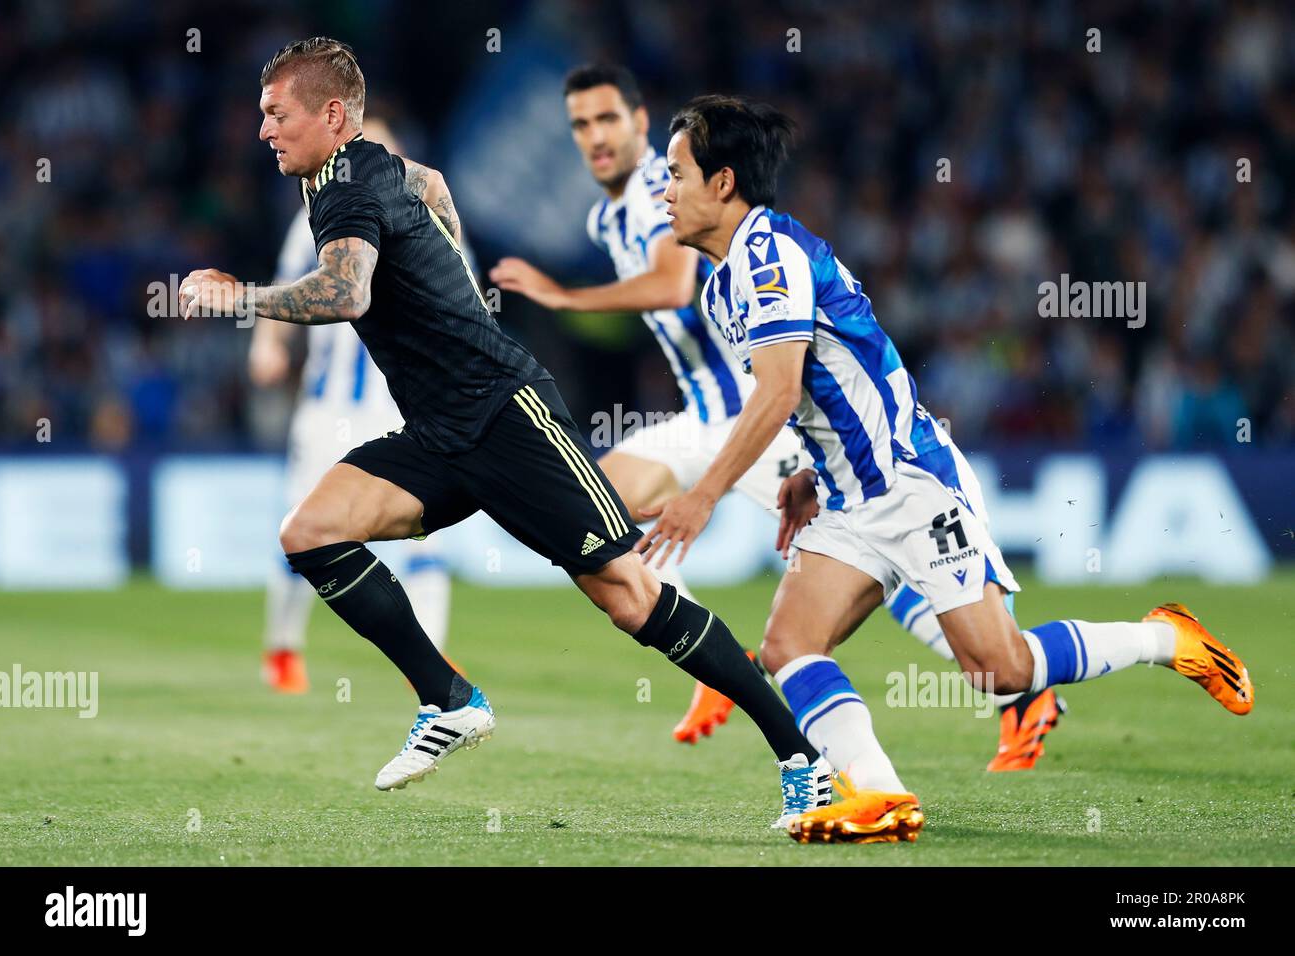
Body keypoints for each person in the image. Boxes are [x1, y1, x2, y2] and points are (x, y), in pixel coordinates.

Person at [177, 38, 831, 827]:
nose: (263, 131)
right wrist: (449, 267)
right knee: (310, 531)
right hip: (440, 431)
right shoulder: (366, 166)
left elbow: (347, 294)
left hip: (508, 416)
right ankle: (449, 699)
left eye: (276, 114)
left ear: (332, 114)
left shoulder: (346, 187)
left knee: (630, 599)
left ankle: (802, 757)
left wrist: (239, 298)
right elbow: (434, 184)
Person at [644, 94, 1254, 843]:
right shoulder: (722, 283)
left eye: (674, 172)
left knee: (1001, 668)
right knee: (788, 645)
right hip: (845, 499)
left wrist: (702, 497)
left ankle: (1167, 637)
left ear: (724, 182)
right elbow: (818, 381)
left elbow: (775, 389)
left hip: (909, 483)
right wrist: (807, 469)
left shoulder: (768, 256)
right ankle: (880, 796)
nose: (662, 189)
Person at [491, 63, 1065, 771]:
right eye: (580, 124)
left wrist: (562, 297)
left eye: (609, 119)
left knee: (876, 549)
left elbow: (673, 285)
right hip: (705, 414)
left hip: (756, 418)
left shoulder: (661, 189)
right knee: (595, 504)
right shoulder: (607, 215)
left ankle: (1013, 685)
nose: (595, 137)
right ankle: (711, 655)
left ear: (640, 124)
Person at [248, 117, 452, 694]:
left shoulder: (427, 215)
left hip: (400, 408)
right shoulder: (314, 214)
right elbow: (285, 286)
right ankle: (283, 648)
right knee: (300, 530)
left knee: (424, 535)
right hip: (326, 408)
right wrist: (267, 346)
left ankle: (432, 666)